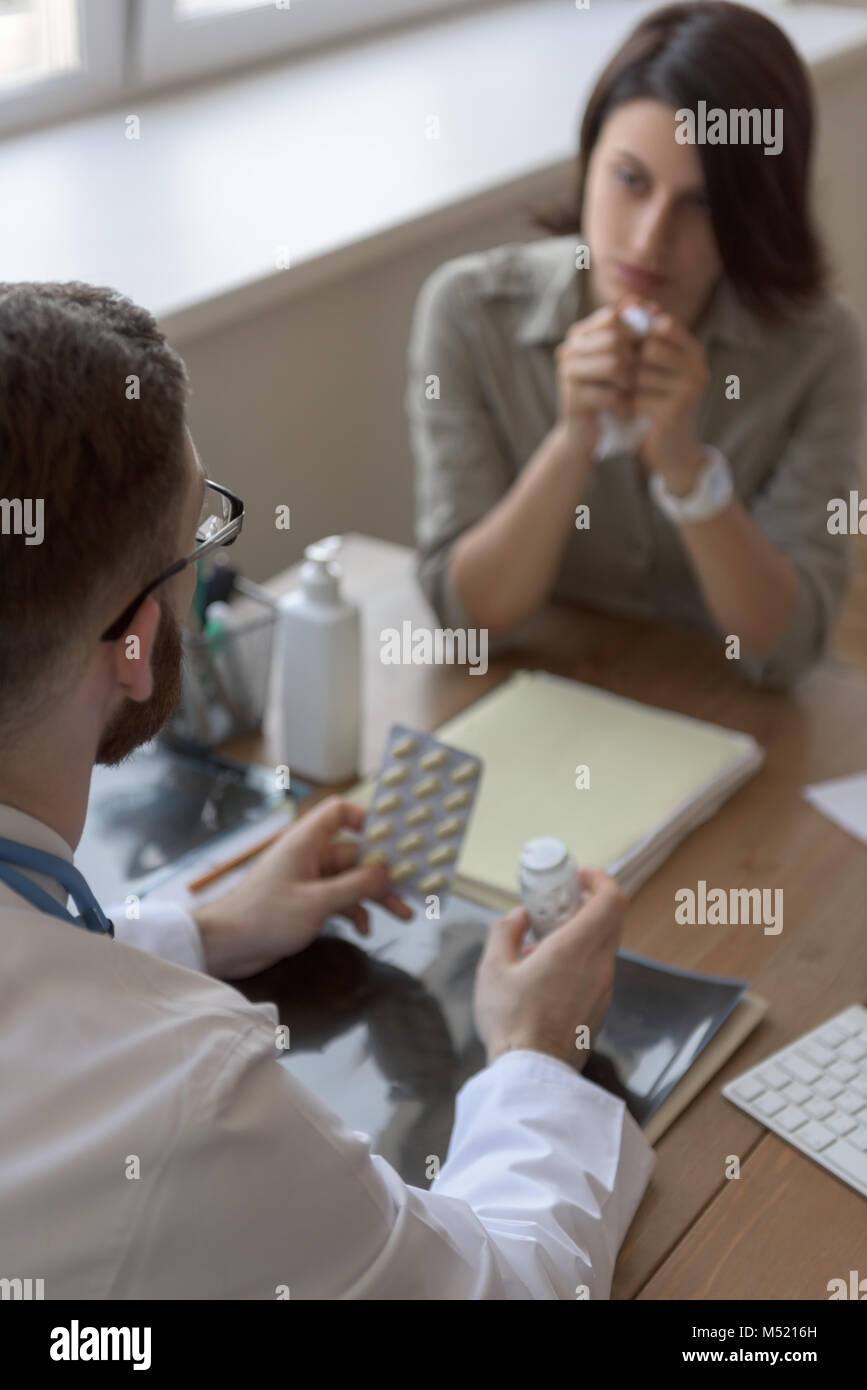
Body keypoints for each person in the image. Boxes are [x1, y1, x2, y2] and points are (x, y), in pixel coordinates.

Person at [0, 281, 653, 1300]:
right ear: (136, 645)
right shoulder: (189, 1093)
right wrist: (532, 1053)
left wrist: (199, 931)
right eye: (199, 541)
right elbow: (503, 1291)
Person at [408, 1, 865, 689]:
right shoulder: (470, 312)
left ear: (753, 210)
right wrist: (570, 442)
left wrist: (685, 468)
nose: (650, 238)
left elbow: (783, 650)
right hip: (547, 700)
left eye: (700, 203)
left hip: (729, 712)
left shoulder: (818, 347)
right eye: (629, 180)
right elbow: (471, 622)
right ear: (588, 161)